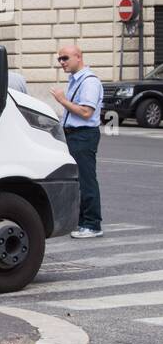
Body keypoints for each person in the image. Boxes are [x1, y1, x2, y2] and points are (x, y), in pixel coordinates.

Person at [51, 44, 104, 239]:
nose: (62, 63)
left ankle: (92, 224)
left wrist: (62, 100)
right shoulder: (75, 79)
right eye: (60, 59)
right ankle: (83, 222)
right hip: (73, 134)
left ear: (78, 57)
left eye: (65, 58)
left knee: (86, 179)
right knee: (78, 179)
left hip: (83, 134)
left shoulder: (89, 82)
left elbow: (85, 112)